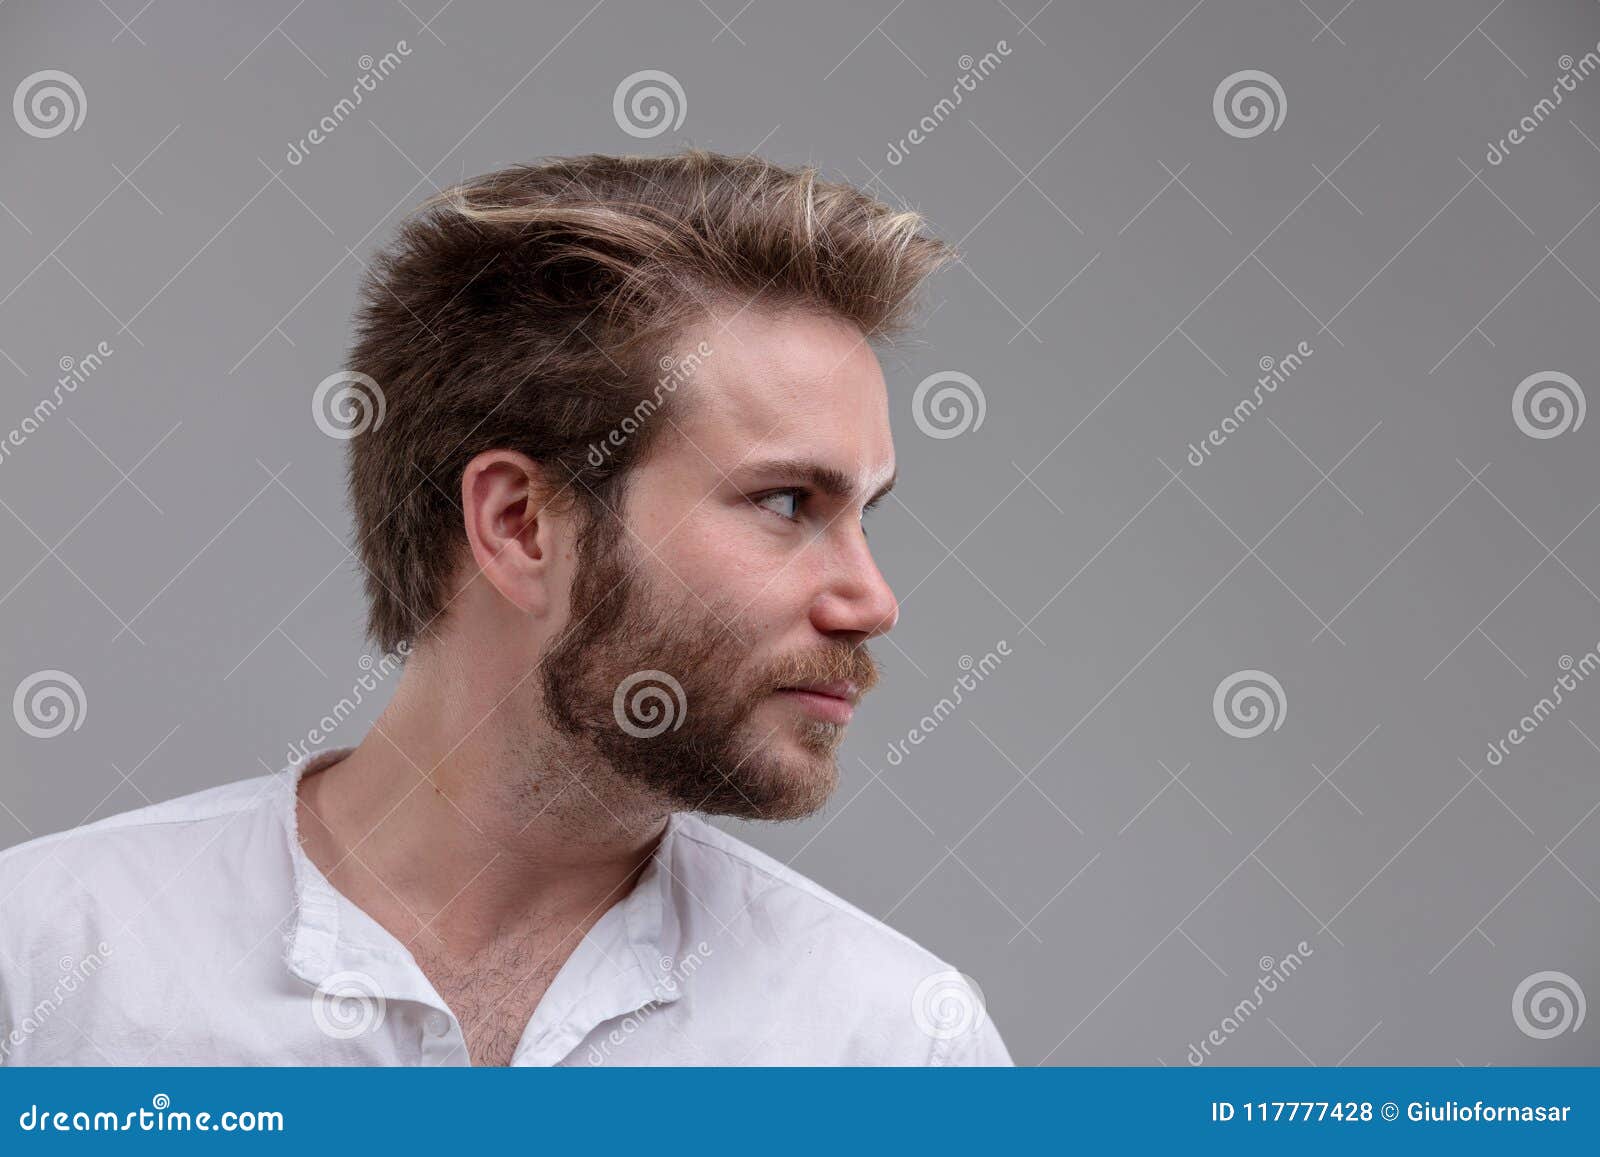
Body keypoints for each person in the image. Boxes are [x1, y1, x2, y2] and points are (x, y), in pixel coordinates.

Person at [0, 149, 1012, 1067]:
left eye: (864, 513)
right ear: (522, 523)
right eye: (788, 502)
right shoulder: (43, 971)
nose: (871, 601)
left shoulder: (893, 1048)